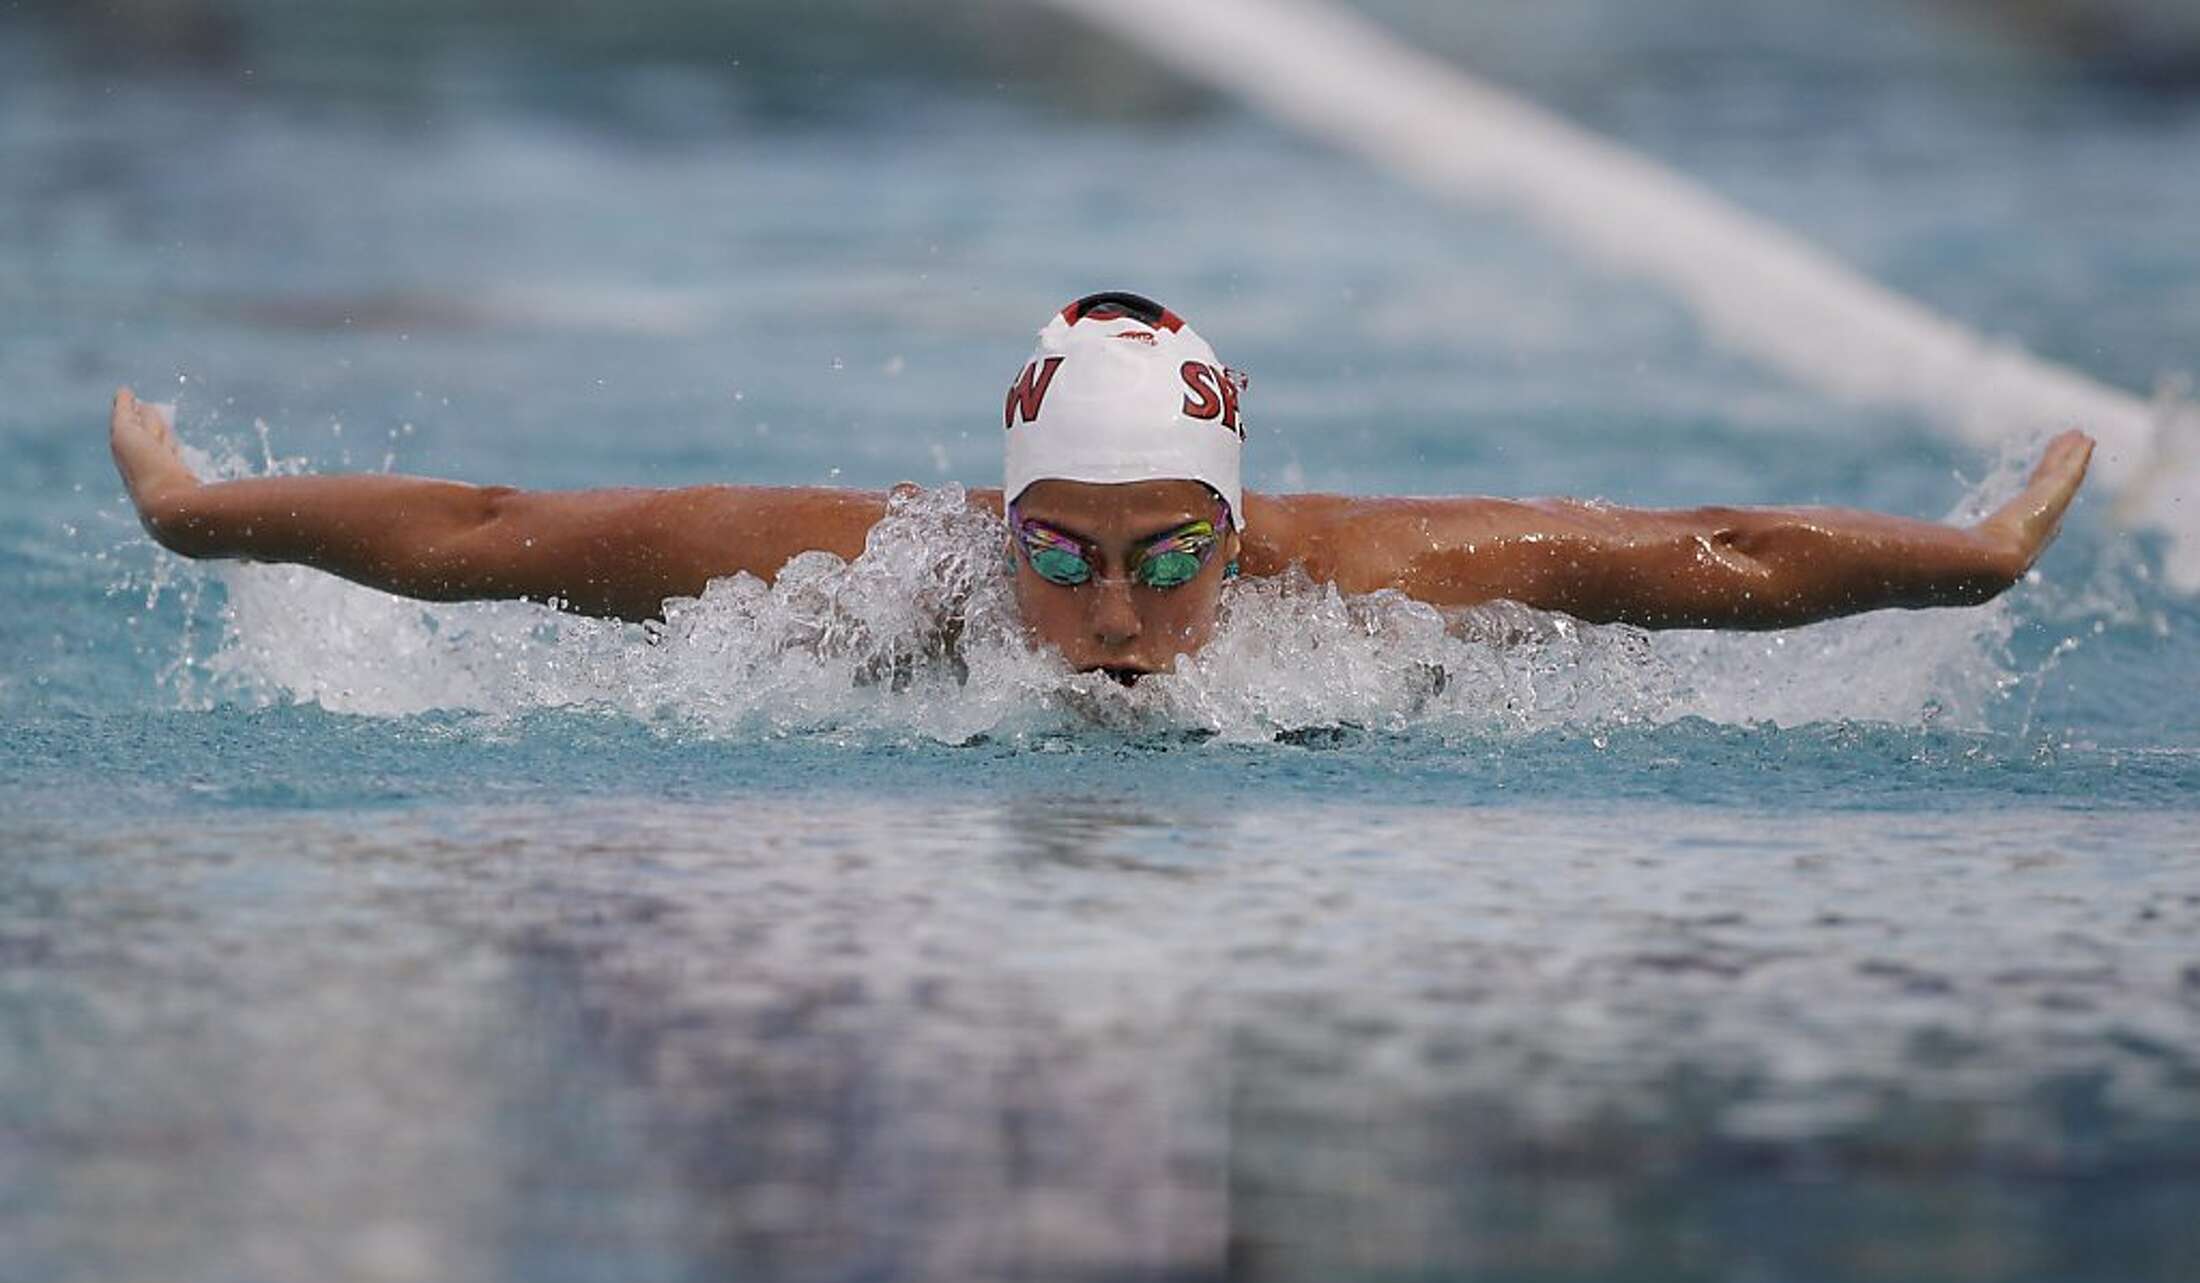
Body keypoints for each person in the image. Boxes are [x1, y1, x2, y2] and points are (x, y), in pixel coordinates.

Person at [109, 292, 2093, 685]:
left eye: (1170, 556)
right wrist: (198, 515)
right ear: (998, 522)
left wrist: (1978, 559)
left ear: (1240, 526)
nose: (1118, 618)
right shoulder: (865, 577)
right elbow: (489, 536)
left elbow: (1705, 553)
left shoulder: (1360, 586)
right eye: (1059, 551)